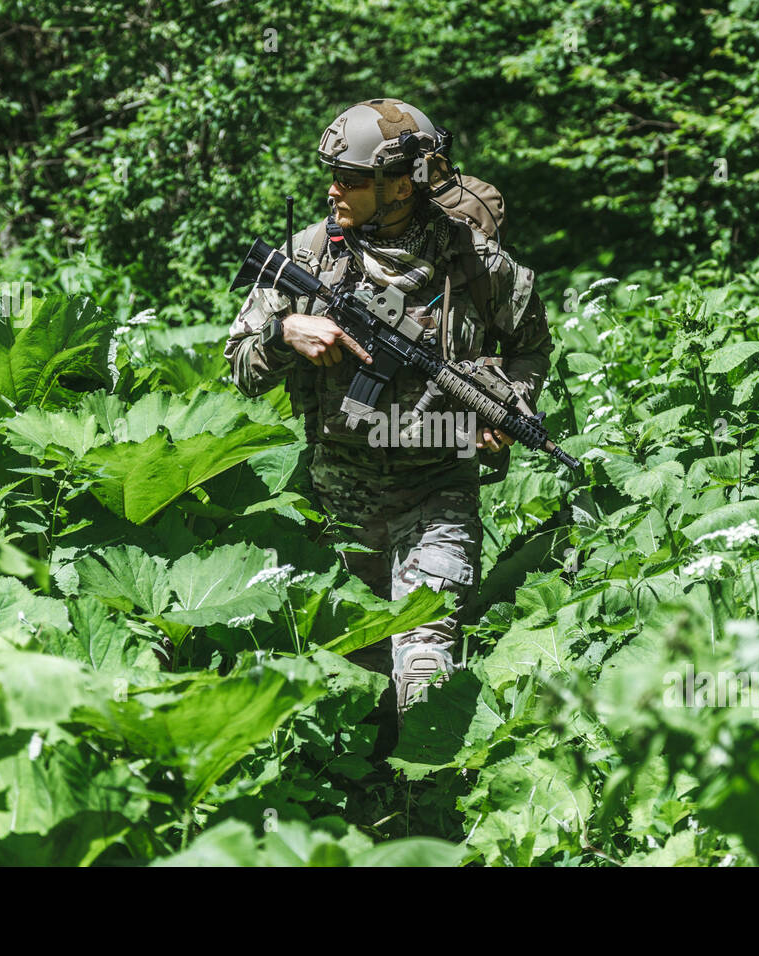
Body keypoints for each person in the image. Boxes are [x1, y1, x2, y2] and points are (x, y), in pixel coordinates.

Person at [225, 98, 553, 715]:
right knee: (355, 680)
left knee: (424, 665)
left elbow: (531, 348)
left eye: (348, 179)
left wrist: (507, 405)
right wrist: (285, 332)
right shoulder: (308, 257)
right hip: (337, 498)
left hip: (439, 490)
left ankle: (427, 796)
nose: (332, 190)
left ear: (401, 184)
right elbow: (240, 368)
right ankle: (367, 798)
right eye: (331, 175)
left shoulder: (475, 264)